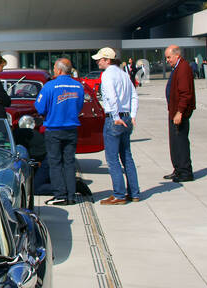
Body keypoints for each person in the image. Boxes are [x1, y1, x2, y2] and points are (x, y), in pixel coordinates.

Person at [33, 58, 85, 205]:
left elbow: (40, 107)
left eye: (55, 68)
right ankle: (71, 194)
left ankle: (60, 194)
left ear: (59, 70)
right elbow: (79, 106)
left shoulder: (50, 86)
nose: (54, 70)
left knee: (55, 162)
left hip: (54, 129)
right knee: (69, 162)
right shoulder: (78, 86)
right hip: (71, 128)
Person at [93, 47, 140, 204]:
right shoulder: (124, 74)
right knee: (127, 156)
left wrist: (115, 116)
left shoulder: (107, 75)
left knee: (112, 158)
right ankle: (134, 192)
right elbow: (134, 96)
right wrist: (132, 116)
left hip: (115, 118)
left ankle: (119, 194)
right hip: (126, 117)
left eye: (100, 59)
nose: (98, 61)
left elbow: (111, 98)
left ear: (107, 60)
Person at [164, 45, 196, 182]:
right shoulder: (177, 68)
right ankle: (178, 169)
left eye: (169, 57)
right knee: (175, 142)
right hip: (173, 111)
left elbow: (185, 93)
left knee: (180, 142)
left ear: (177, 55)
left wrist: (179, 112)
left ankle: (185, 172)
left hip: (179, 113)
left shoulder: (183, 68)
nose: (167, 60)